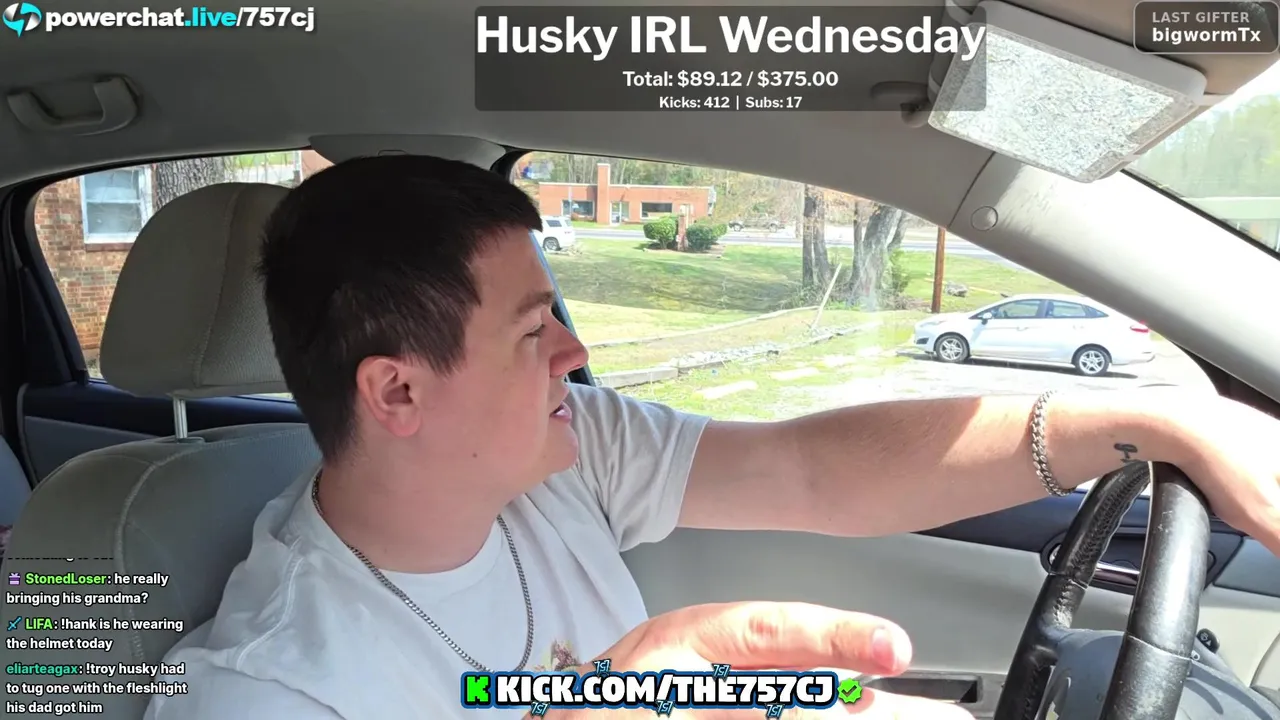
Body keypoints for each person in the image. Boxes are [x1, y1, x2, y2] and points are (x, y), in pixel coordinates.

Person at [146, 155, 1280, 720]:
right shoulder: (269, 691)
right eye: (534, 331)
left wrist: (1143, 420)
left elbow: (809, 471)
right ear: (397, 393)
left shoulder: (564, 453)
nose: (575, 354)